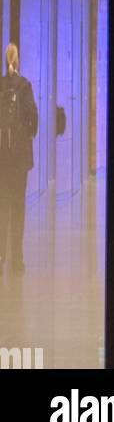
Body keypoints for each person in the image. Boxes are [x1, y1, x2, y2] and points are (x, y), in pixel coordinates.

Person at [0, 43, 38, 274]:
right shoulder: (25, 86)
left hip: (2, 156)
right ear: (17, 59)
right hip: (20, 157)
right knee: (18, 205)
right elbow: (33, 116)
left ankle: (0, 254)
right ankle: (17, 258)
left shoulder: (1, 84)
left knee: (2, 204)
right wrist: (29, 132)